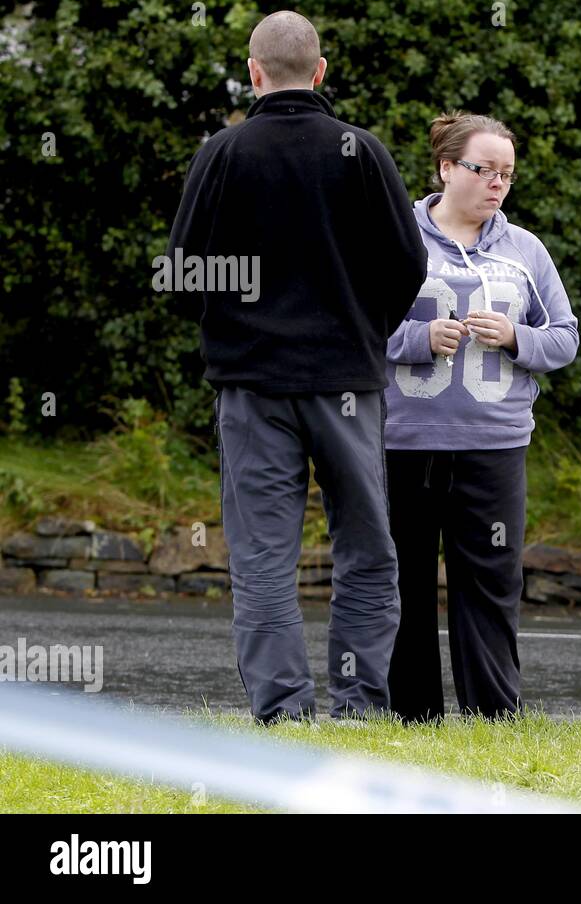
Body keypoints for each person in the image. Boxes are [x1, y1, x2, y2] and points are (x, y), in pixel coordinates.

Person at [165, 10, 428, 723]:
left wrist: (233, 329)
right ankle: (360, 706)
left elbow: (183, 273)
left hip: (252, 385)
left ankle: (283, 712)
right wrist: (365, 332)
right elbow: (409, 262)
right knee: (368, 550)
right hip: (347, 383)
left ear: (254, 73)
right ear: (320, 72)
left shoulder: (222, 153)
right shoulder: (360, 150)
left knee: (262, 557)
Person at [384, 111, 579, 722]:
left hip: (493, 446)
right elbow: (357, 327)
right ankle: (410, 716)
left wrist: (518, 338)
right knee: (404, 584)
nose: (498, 183)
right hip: (403, 442)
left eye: (507, 173)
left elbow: (566, 338)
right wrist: (417, 338)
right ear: (445, 168)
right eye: (484, 169)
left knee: (490, 586)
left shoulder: (525, 250)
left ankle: (491, 717)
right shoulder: (397, 238)